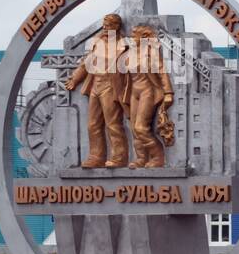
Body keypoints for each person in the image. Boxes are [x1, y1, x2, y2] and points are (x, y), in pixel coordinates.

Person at [64, 13, 129, 168]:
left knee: (112, 124)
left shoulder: (124, 45)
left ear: (117, 26)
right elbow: (86, 63)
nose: (105, 29)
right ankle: (96, 157)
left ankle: (119, 158)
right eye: (104, 26)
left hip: (110, 86)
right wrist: (74, 79)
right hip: (95, 86)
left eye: (109, 26)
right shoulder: (98, 42)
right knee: (93, 124)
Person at [121, 24, 174, 168]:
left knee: (141, 128)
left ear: (144, 36)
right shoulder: (129, 53)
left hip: (147, 91)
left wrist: (168, 92)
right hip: (133, 92)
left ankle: (158, 157)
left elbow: (162, 72)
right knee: (133, 128)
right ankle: (141, 158)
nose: (131, 37)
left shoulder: (151, 52)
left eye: (134, 34)